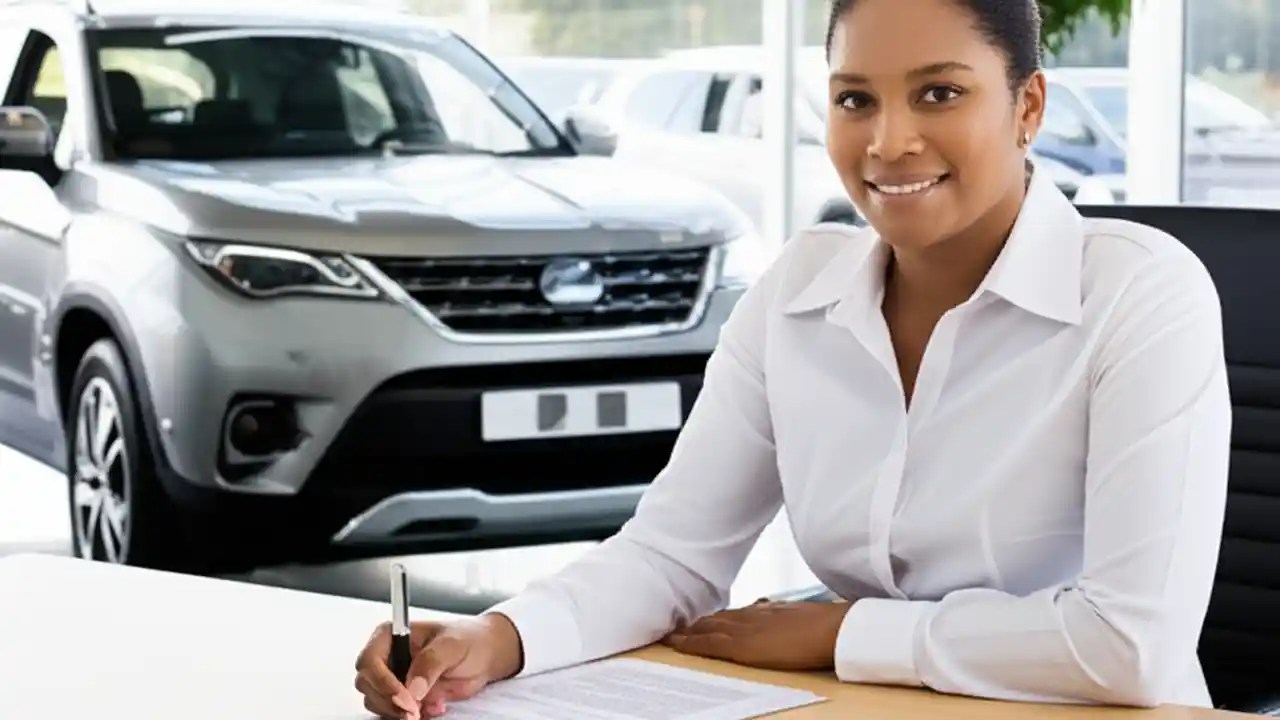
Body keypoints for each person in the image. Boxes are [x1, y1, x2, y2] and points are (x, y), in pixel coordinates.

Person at [354, 0, 1232, 717]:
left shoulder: (1139, 293)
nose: (888, 141)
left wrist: (839, 632)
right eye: (855, 99)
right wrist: (497, 640)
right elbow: (672, 556)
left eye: (938, 94)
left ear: (1028, 107)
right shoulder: (799, 289)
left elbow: (1131, 647)